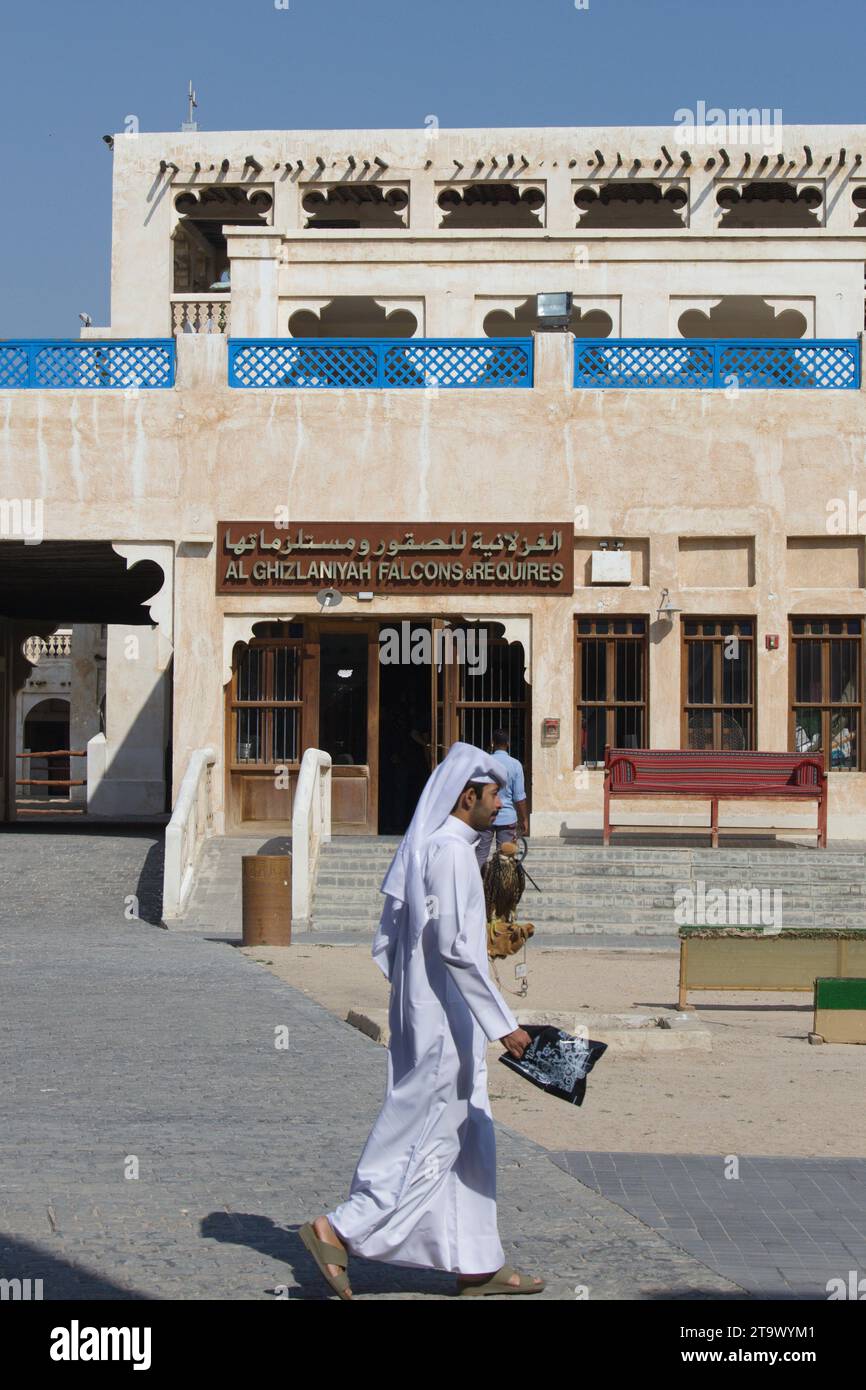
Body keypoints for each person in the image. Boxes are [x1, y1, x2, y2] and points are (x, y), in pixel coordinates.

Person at [300, 741, 545, 1299]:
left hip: (439, 1009)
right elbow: (457, 946)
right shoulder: (450, 852)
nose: (502, 803)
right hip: (443, 1017)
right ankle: (338, 1227)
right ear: (467, 797)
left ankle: (479, 1259)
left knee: (473, 1130)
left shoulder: (445, 847)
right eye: (494, 794)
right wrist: (502, 1023)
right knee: (419, 1127)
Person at [475, 729, 529, 870]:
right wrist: (524, 818)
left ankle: (475, 888)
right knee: (505, 858)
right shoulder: (515, 765)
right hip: (507, 817)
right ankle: (503, 890)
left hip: (485, 816)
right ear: (508, 744)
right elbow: (519, 797)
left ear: (492, 743)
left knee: (480, 855)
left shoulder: (485, 762)